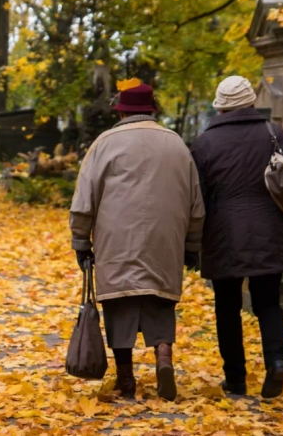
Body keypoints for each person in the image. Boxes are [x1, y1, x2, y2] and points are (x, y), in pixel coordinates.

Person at [70, 83, 205, 401]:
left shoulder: (104, 143)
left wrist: (80, 239)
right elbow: (195, 202)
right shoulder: (175, 144)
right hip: (165, 237)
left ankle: (126, 378)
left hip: (118, 238)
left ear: (122, 112)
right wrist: (193, 244)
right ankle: (163, 357)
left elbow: (84, 199)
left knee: (120, 301)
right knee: (160, 299)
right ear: (152, 110)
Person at [191, 76, 283, 399]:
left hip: (223, 234)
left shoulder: (204, 144)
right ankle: (277, 361)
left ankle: (236, 379)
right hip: (270, 230)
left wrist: (194, 241)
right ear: (250, 102)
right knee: (268, 302)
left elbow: (197, 197)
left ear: (221, 105)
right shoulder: (275, 134)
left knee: (227, 307)